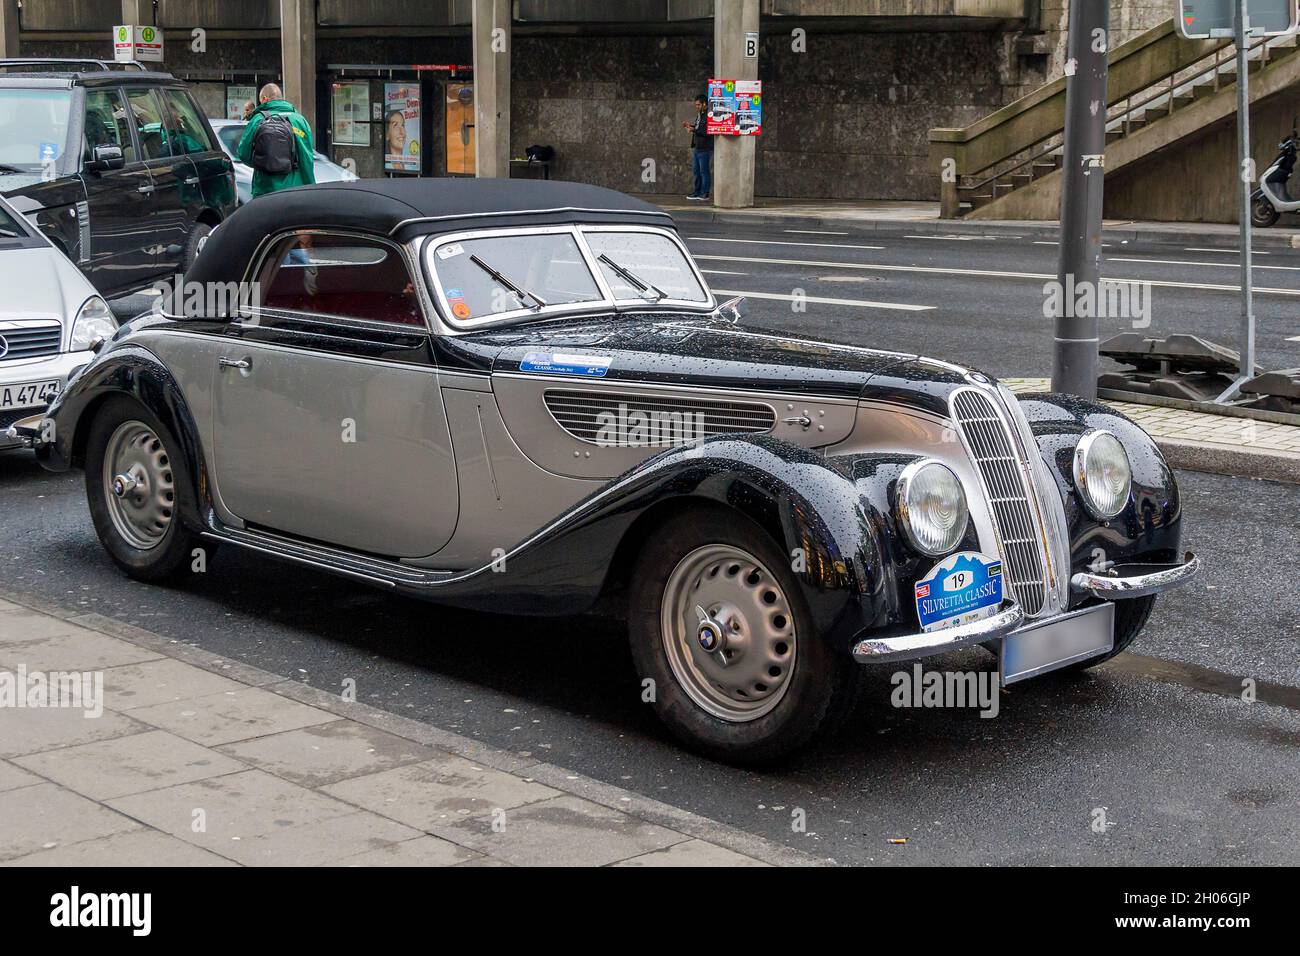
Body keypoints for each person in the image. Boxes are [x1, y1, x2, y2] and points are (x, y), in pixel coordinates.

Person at [236, 83, 315, 199]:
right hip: (295, 191)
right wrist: (311, 189)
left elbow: (243, 154)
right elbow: (307, 159)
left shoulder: (258, 119)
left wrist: (263, 162)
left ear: (264, 99)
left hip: (265, 190)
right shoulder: (300, 120)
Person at [681, 95, 713, 201]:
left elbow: (707, 132)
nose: (697, 107)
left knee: (704, 171)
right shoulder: (700, 114)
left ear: (704, 104)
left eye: (699, 104)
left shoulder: (709, 115)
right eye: (696, 105)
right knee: (696, 171)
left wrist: (693, 130)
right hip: (697, 147)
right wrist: (690, 126)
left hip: (705, 148)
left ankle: (705, 193)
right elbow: (699, 128)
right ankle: (697, 191)